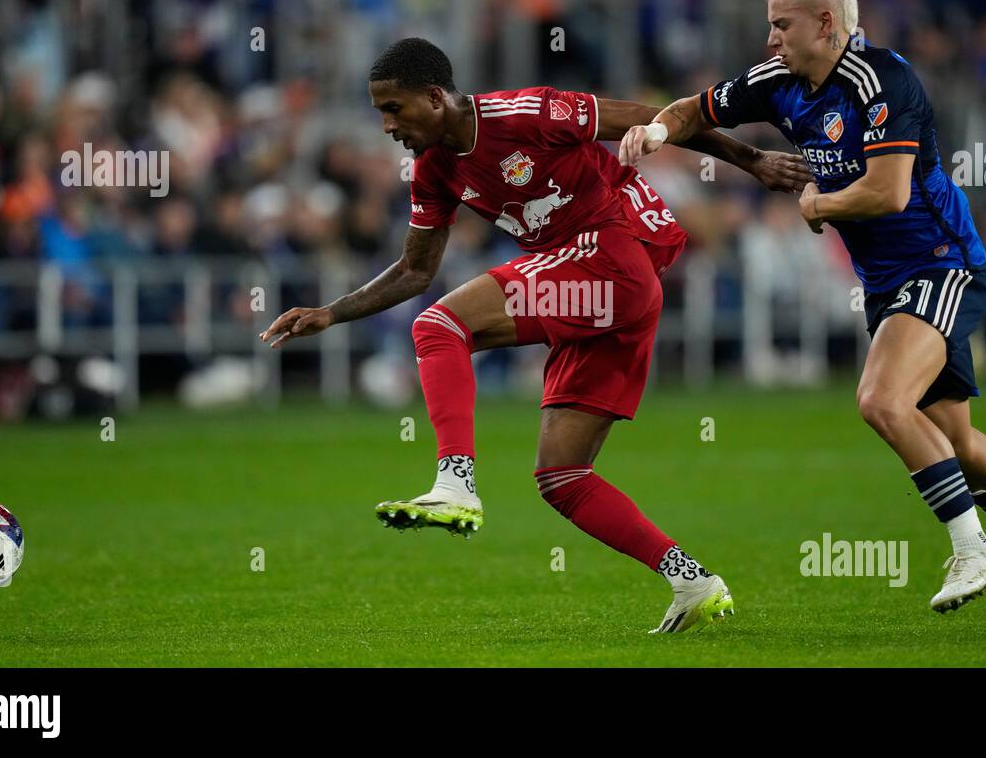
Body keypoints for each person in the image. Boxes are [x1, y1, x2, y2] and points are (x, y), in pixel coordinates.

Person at [260, 38, 810, 633]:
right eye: (380, 112)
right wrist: (332, 313)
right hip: (605, 292)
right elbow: (416, 269)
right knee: (562, 476)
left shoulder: (530, 112)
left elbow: (661, 118)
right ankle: (694, 582)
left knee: (439, 326)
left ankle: (455, 482)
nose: (387, 125)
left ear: (435, 96)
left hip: (611, 260)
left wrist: (751, 159)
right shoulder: (433, 171)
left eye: (394, 108)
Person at [620, 0, 986, 628]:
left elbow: (889, 192)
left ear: (826, 22)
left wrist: (815, 205)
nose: (770, 38)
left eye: (781, 24)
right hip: (888, 280)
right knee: (951, 437)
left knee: (879, 398)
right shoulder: (779, 78)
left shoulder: (884, 80)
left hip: (940, 261)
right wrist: (659, 130)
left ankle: (972, 547)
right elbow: (699, 107)